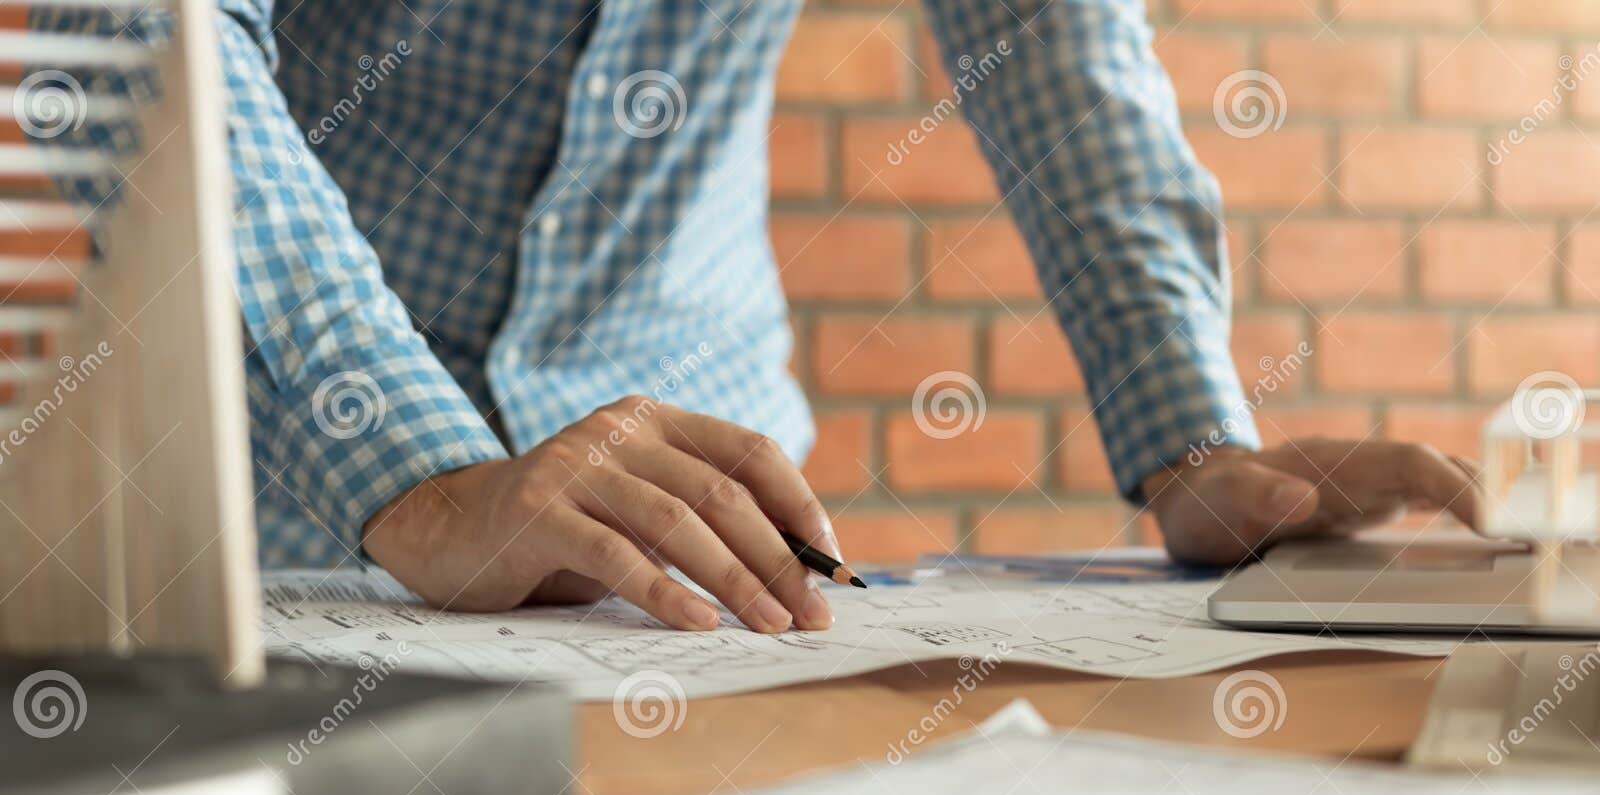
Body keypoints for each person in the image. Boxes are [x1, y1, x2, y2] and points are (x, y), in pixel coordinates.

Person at [208, 1, 1474, 632]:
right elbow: (169, 30)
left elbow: (1050, 34)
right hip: (285, 484)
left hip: (701, 517)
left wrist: (1193, 441)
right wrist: (420, 478)